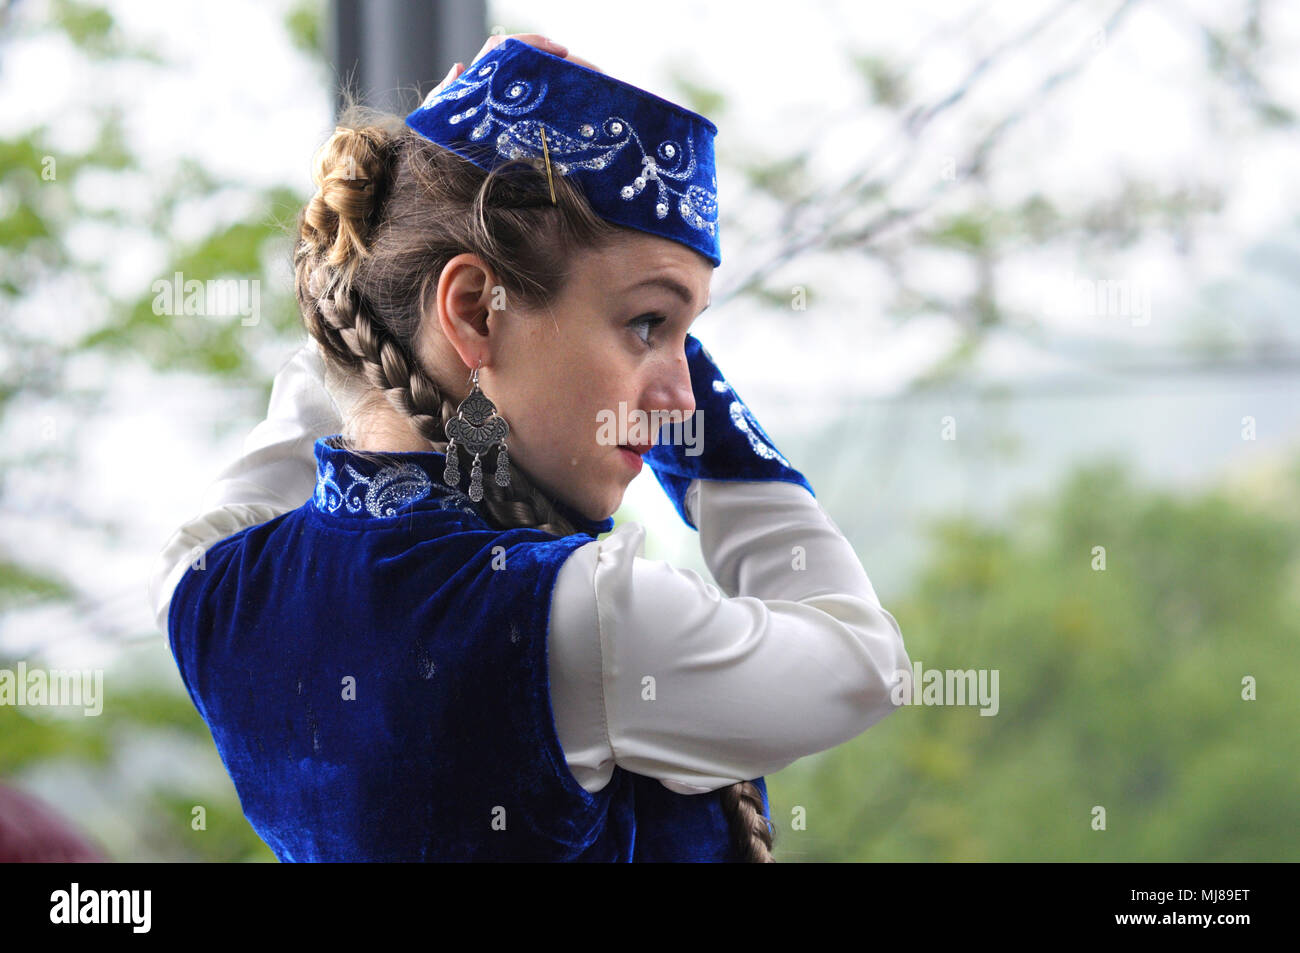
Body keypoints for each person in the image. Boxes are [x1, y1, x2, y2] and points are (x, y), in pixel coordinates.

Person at [147, 33, 910, 862]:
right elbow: (867, 661)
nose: (681, 395)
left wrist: (409, 199)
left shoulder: (206, 585)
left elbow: (344, 368)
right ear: (475, 310)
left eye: (688, 338)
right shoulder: (580, 621)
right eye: (650, 325)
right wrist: (713, 440)